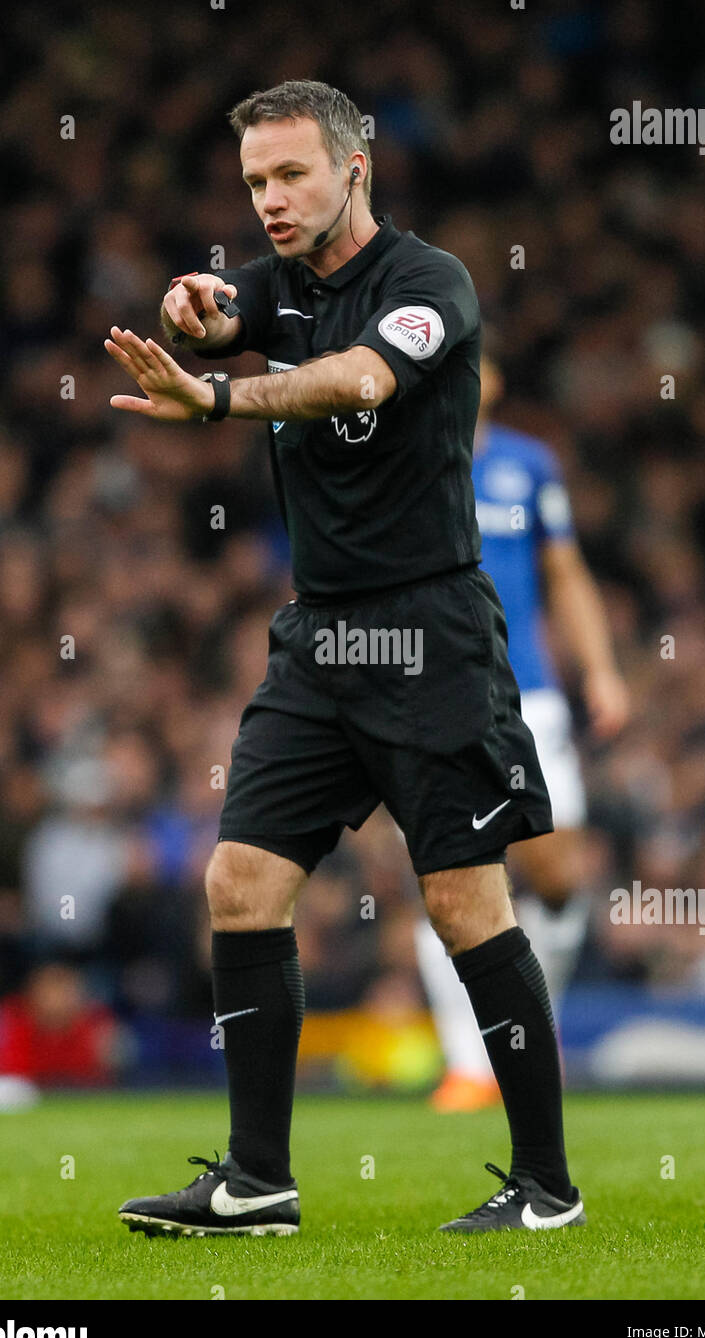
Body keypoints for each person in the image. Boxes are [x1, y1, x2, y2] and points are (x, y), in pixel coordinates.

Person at [105, 79, 585, 1236]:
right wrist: (190, 314)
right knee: (240, 885)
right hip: (319, 635)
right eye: (254, 183)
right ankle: (256, 1179)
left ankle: (544, 1187)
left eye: (290, 177)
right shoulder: (274, 285)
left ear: (353, 169)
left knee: (463, 903)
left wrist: (219, 391)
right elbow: (221, 314)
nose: (269, 201)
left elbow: (358, 379)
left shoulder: (430, 284)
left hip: (433, 631)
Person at [416, 348, 630, 1112]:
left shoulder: (527, 465)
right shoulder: (404, 458)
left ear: (495, 382)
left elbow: (565, 572)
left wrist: (600, 669)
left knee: (557, 878)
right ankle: (469, 1066)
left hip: (529, 692)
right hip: (436, 698)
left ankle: (534, 1025)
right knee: (447, 876)